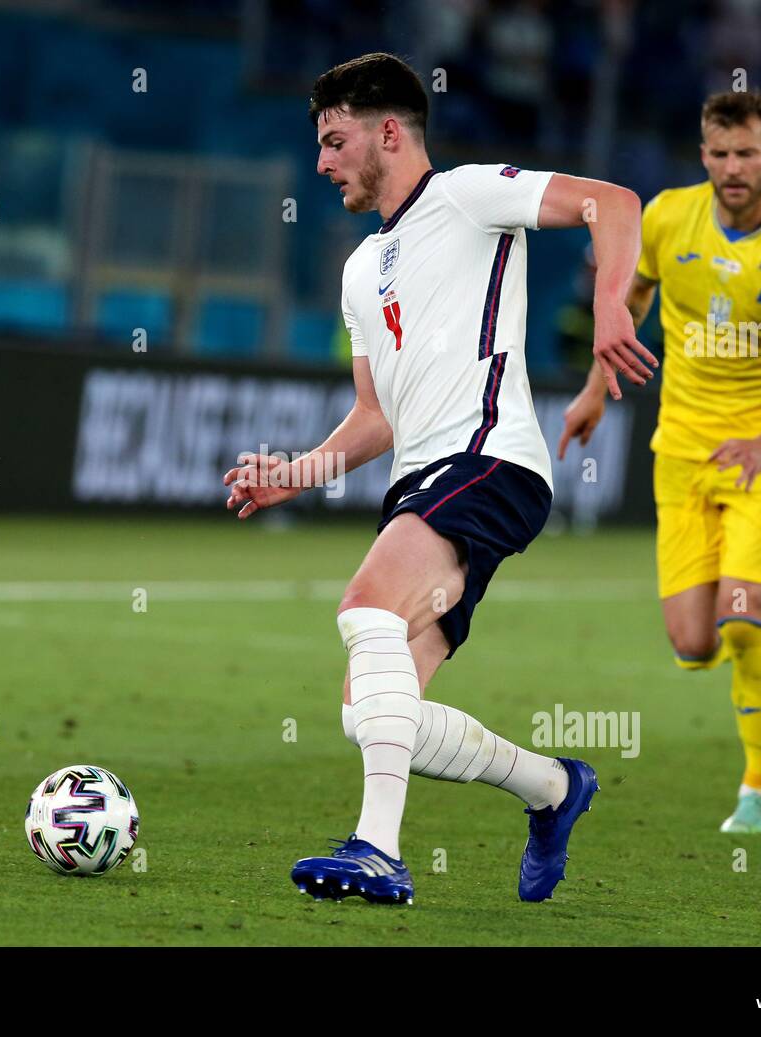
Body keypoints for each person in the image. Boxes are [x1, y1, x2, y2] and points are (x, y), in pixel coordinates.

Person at [223, 52, 656, 904]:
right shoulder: (359, 270)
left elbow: (614, 202)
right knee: (377, 714)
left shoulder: (465, 196)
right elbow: (376, 417)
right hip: (430, 480)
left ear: (390, 131)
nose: (321, 162)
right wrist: (295, 474)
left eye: (335, 140)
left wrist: (612, 300)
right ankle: (554, 788)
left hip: (490, 460)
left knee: (365, 607)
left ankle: (376, 848)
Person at [559, 90, 761, 836]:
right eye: (718, 154)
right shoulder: (664, 217)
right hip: (681, 451)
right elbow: (635, 300)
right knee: (694, 644)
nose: (732, 168)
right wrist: (596, 388)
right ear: (703, 156)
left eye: (747, 153)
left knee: (740, 622)